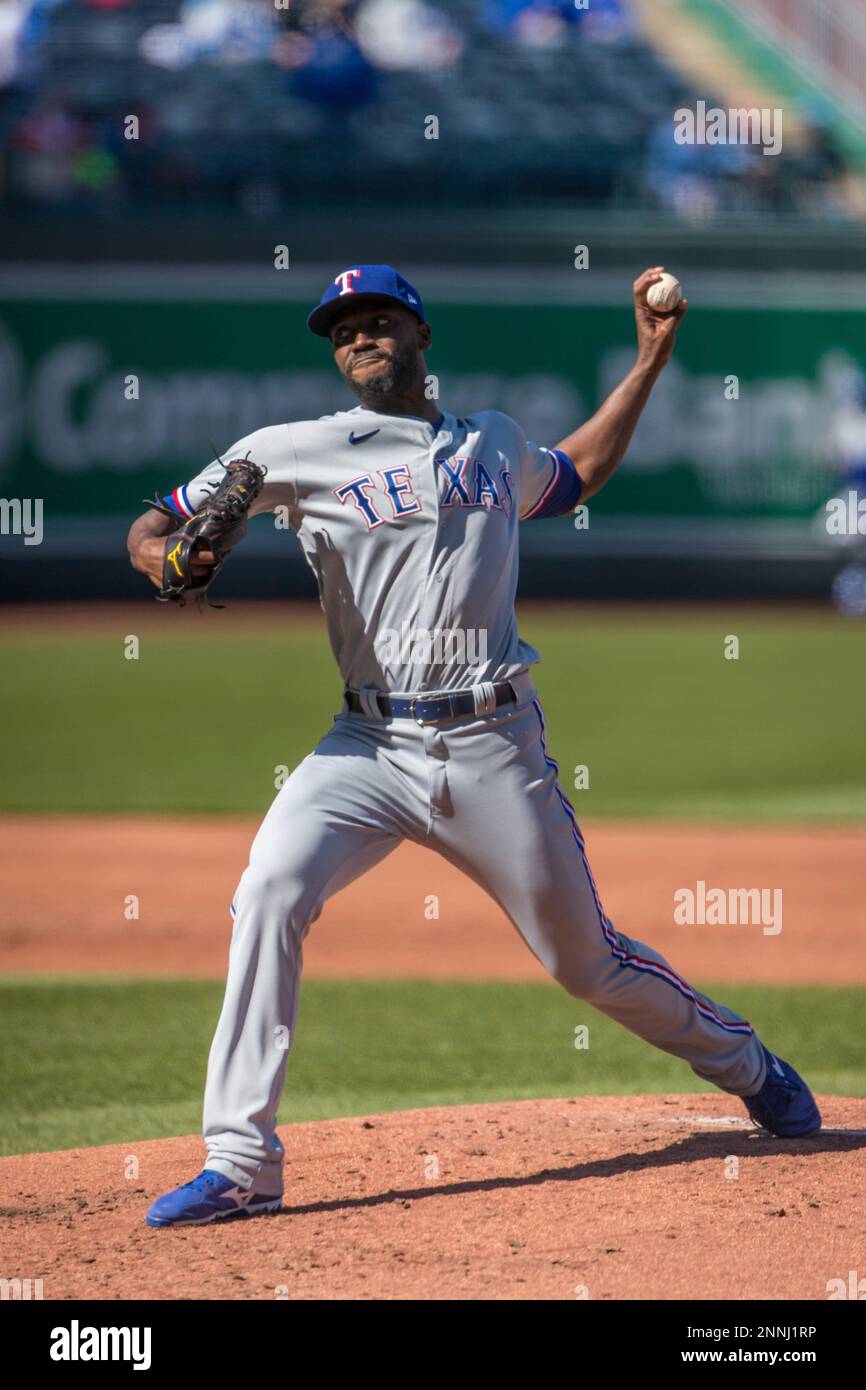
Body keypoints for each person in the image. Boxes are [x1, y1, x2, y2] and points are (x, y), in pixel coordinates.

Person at [127, 264, 821, 1228]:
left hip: (495, 741)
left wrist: (650, 363)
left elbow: (576, 472)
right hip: (364, 745)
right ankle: (240, 1161)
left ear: (419, 334)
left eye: (376, 321)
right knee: (269, 892)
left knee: (588, 963)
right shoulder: (290, 450)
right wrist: (168, 560)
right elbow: (155, 526)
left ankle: (748, 1065)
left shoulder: (491, 438)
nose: (358, 338)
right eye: (342, 330)